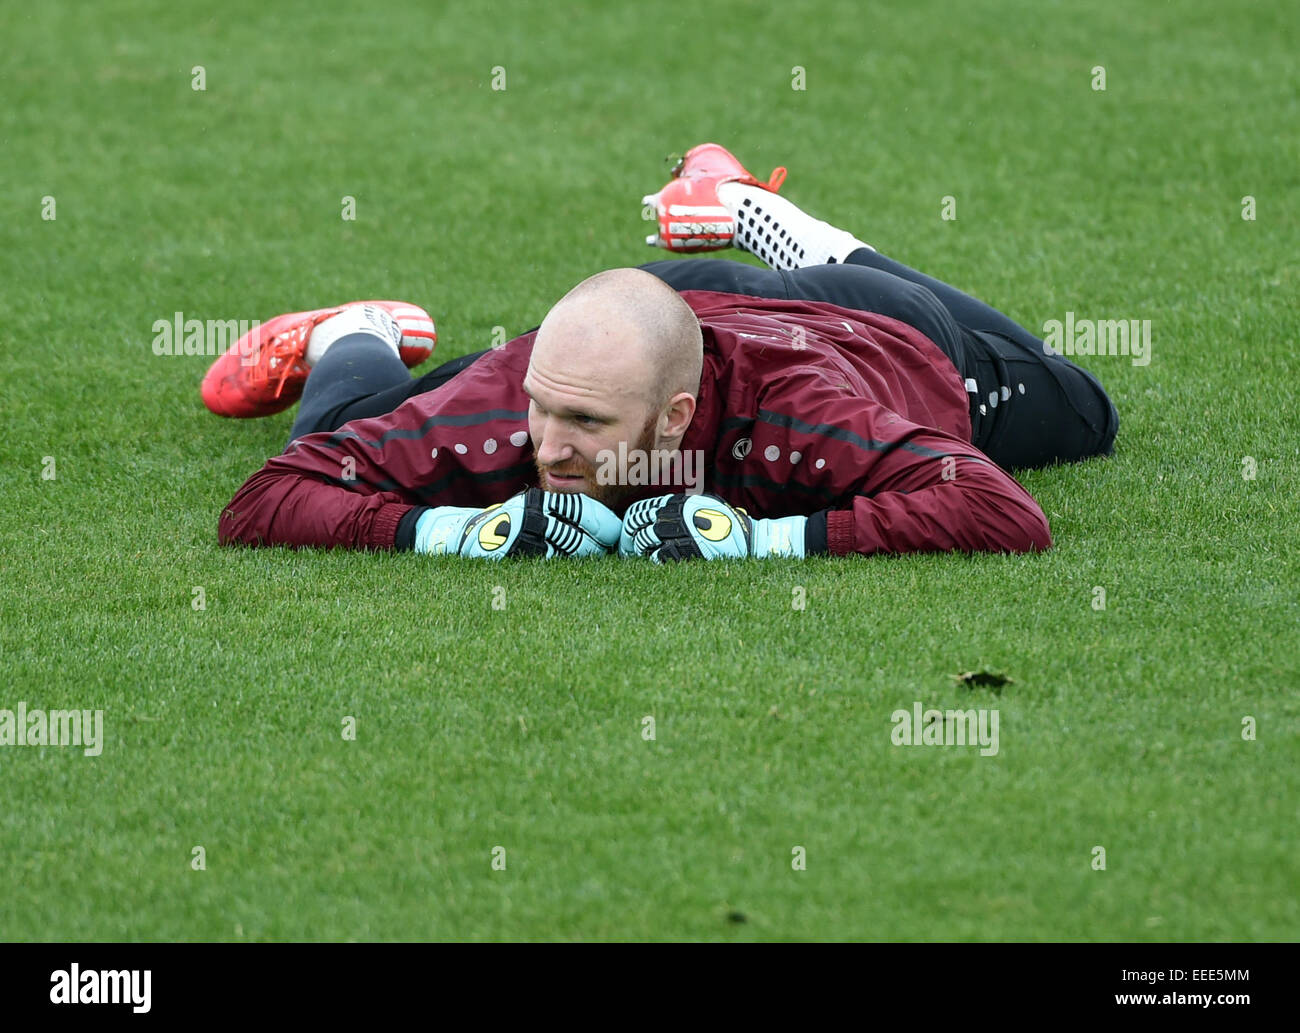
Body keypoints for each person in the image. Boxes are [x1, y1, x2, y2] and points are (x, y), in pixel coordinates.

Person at [206, 143, 1118, 562]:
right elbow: (267, 497)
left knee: (1087, 408)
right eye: (545, 407)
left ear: (675, 419)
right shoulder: (517, 404)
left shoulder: (804, 418)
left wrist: (767, 540)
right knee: (359, 429)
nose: (549, 447)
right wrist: (453, 530)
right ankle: (349, 330)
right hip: (658, 308)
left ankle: (774, 221)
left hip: (860, 318)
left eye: (588, 423)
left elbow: (1004, 515)